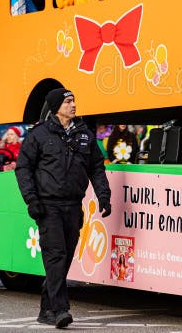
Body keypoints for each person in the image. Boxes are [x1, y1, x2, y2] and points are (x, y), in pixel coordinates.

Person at [15, 87, 112, 328]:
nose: (73, 104)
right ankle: (60, 310)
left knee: (66, 256)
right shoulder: (39, 134)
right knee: (55, 255)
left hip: (73, 205)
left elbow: (96, 168)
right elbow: (23, 168)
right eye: (68, 101)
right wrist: (32, 199)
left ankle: (46, 308)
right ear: (56, 106)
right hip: (48, 206)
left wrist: (103, 196)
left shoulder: (84, 134)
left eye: (74, 100)